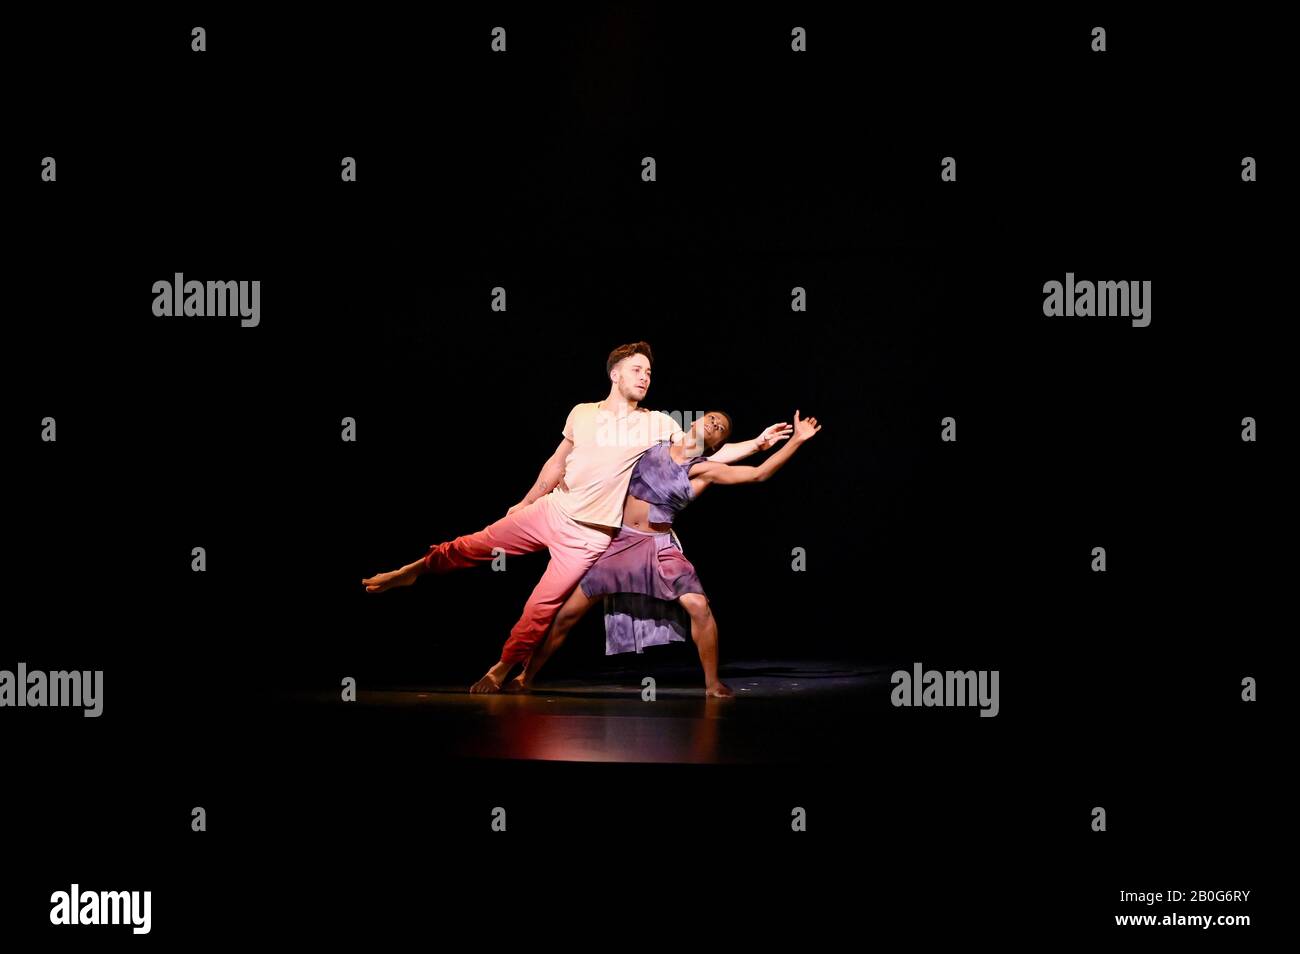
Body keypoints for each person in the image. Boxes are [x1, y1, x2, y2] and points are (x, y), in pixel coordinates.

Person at [359, 341, 794, 693]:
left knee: (541, 608)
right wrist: (527, 501)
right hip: (554, 508)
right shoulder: (582, 412)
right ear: (615, 374)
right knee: (470, 546)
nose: (645, 376)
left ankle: (502, 669)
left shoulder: (658, 423)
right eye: (638, 369)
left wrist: (758, 442)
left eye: (649, 372)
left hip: (591, 537)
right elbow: (556, 462)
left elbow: (703, 450)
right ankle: (411, 570)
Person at [507, 409, 822, 697]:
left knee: (699, 606)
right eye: (711, 418)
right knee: (566, 616)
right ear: (693, 422)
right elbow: (600, 458)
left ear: (717, 444)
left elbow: (758, 474)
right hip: (618, 544)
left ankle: (712, 684)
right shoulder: (650, 445)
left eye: (721, 428)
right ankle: (526, 676)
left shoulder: (705, 470)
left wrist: (795, 440)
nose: (714, 424)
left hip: (658, 547)